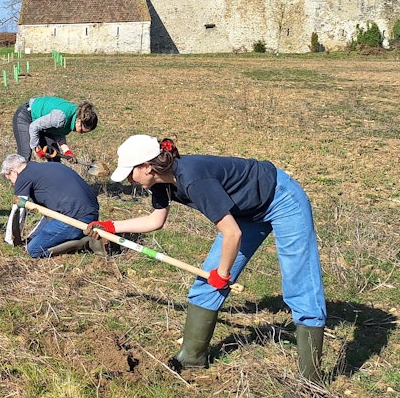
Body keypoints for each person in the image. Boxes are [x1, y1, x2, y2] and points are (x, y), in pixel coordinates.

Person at [93, 135, 326, 382]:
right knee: (205, 286)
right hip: (244, 212)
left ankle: (310, 380)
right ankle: (192, 358)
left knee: (298, 285)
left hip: (280, 198)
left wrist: (222, 274)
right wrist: (110, 226)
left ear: (147, 167)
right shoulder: (160, 184)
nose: (130, 180)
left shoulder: (193, 179)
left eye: (131, 173)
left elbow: (232, 233)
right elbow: (155, 220)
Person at [0, 154, 102, 258]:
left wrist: (9, 239)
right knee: (31, 243)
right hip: (92, 215)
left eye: (10, 180)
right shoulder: (49, 167)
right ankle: (78, 236)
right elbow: (49, 214)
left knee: (33, 250)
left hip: (75, 219)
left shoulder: (23, 176)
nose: (12, 184)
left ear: (13, 171)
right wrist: (30, 238)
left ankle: (85, 243)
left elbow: (18, 211)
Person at [12, 96, 98, 161]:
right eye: (82, 131)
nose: (80, 133)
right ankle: (20, 182)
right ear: (79, 121)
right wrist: (36, 148)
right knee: (25, 156)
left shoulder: (73, 118)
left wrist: (67, 151)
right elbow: (34, 126)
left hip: (42, 124)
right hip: (26, 117)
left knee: (55, 159)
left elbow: (58, 132)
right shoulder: (60, 117)